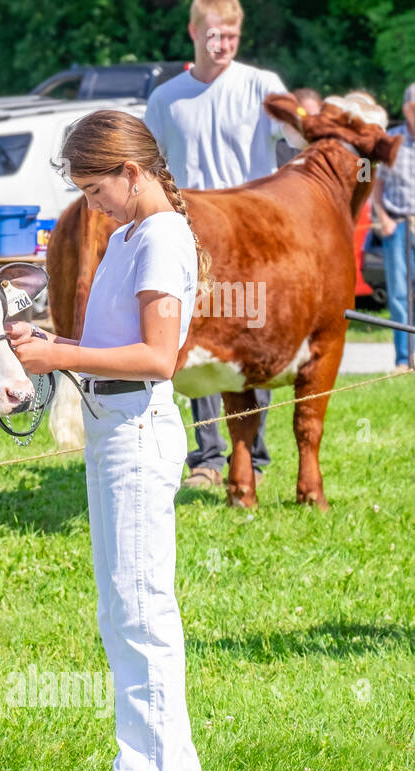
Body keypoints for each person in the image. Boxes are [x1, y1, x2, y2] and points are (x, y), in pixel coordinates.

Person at [6, 110, 204, 771]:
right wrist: (52, 338)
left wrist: (58, 356)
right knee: (131, 604)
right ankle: (172, 768)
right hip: (111, 426)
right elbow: (115, 338)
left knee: (135, 607)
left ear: (131, 172)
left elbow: (156, 356)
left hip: (137, 430)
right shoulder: (128, 235)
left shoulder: (160, 239)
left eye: (94, 189)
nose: (90, 204)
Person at [144, 0, 284, 491]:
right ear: (193, 32)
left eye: (231, 36)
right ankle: (206, 458)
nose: (222, 46)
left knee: (251, 345)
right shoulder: (166, 98)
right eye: (213, 36)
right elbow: (150, 167)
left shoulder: (263, 87)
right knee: (195, 345)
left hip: (251, 242)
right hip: (193, 241)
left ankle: (256, 458)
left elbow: (298, 139)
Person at [372, 82, 415, 372]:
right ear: (406, 109)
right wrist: (383, 219)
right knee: (398, 293)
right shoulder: (391, 142)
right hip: (396, 224)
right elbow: (375, 184)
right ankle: (403, 359)